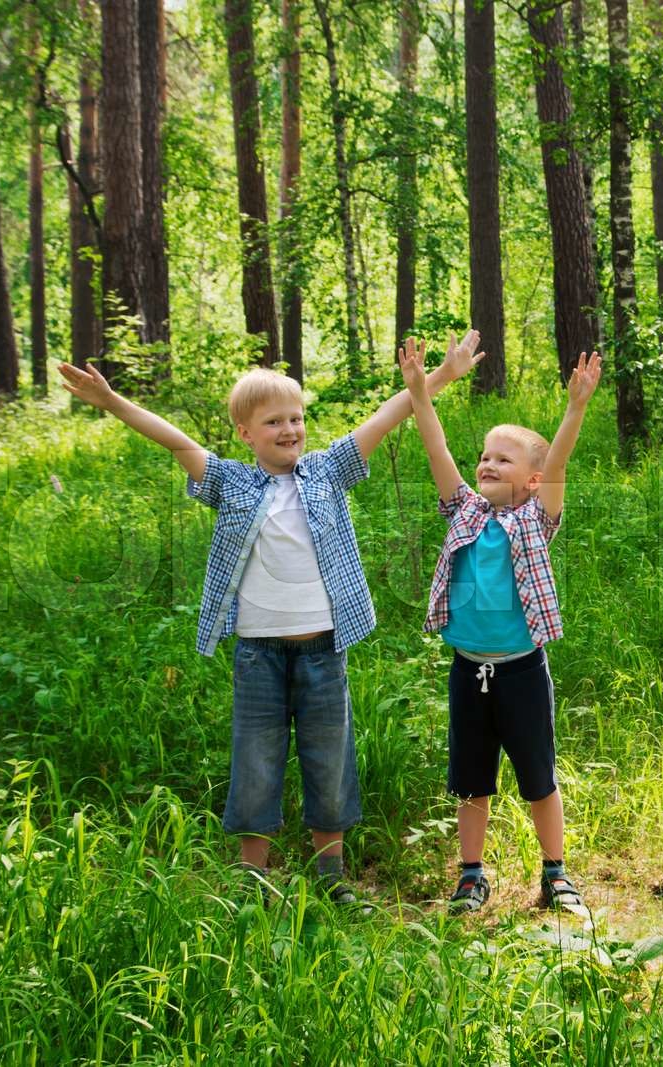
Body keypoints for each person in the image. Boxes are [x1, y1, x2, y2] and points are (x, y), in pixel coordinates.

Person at [57, 336, 484, 902]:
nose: (290, 430)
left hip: (323, 650)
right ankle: (251, 878)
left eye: (297, 418)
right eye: (274, 422)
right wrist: (113, 403)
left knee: (329, 759)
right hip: (258, 652)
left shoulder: (327, 470)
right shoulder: (231, 482)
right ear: (245, 433)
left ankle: (330, 876)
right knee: (256, 761)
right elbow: (174, 440)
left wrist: (442, 377)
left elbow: (387, 416)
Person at [396, 338, 602, 913]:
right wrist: (420, 394)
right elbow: (436, 448)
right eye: (485, 455)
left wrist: (577, 408)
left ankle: (555, 873)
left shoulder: (538, 519)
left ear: (533, 482)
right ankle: (470, 874)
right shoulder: (462, 508)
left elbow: (558, 460)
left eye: (502, 460)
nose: (486, 464)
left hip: (521, 673)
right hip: (468, 671)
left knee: (538, 775)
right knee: (471, 781)